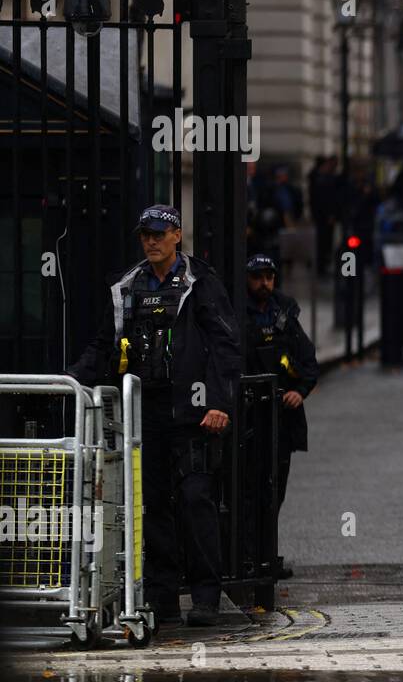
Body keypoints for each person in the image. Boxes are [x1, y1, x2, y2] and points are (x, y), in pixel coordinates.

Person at [68, 205, 242, 628]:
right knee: (151, 506)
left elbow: (226, 343)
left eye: (160, 234)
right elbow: (103, 345)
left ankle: (206, 598)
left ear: (177, 236)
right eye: (145, 234)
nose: (151, 241)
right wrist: (70, 382)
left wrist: (220, 402)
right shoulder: (128, 285)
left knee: (196, 500)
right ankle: (163, 600)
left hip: (195, 412)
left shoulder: (201, 281)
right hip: (143, 412)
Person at [245, 254, 320, 580]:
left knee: (275, 491)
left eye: (269, 277)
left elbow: (307, 361)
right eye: (258, 277)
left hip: (281, 420)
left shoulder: (285, 313)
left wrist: (299, 391)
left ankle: (266, 556)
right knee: (250, 490)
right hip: (249, 420)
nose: (264, 283)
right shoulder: (237, 313)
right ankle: (249, 557)